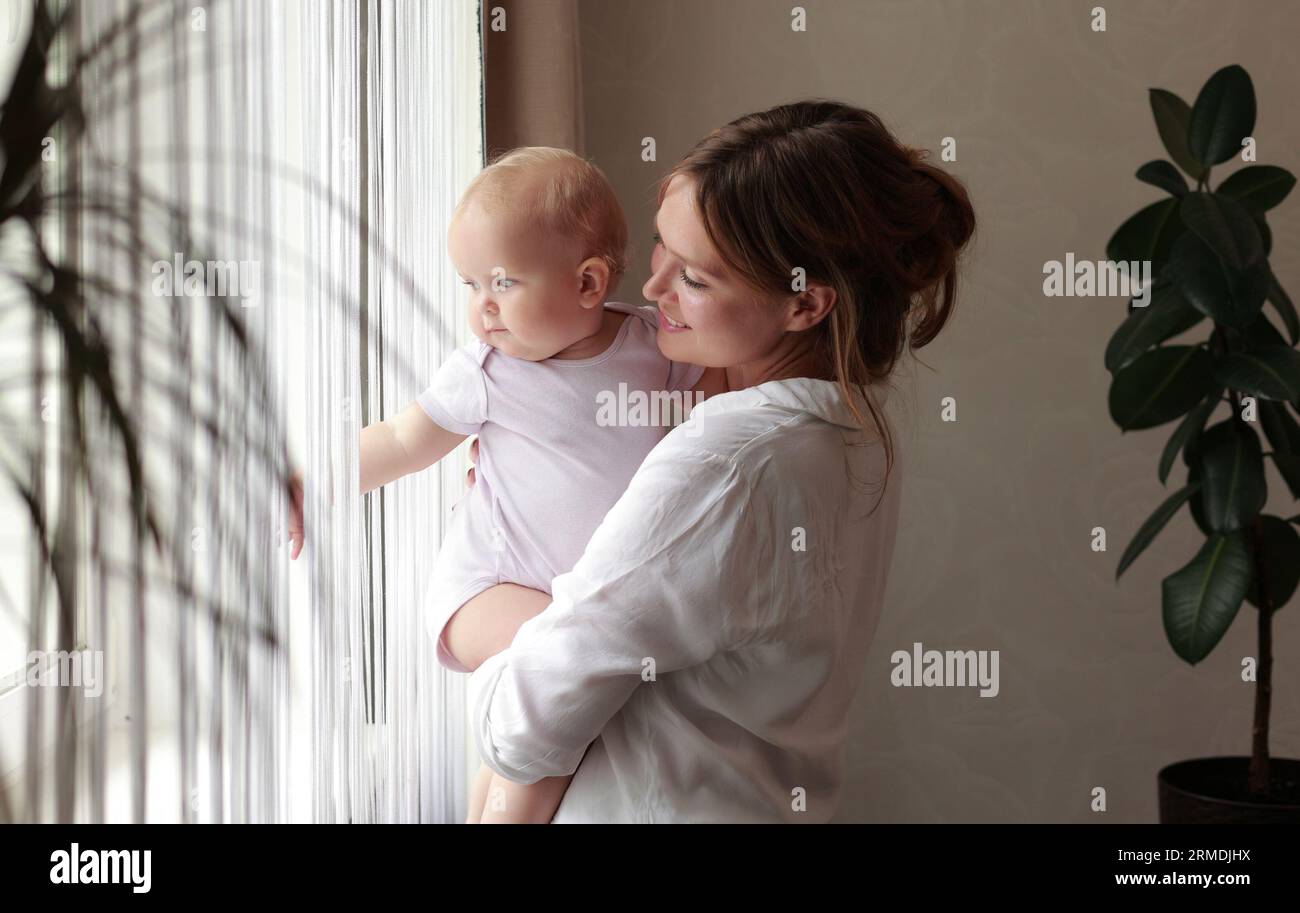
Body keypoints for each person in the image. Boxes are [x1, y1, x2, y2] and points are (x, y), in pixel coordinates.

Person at [454, 99, 976, 822]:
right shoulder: (852, 426)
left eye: (696, 279)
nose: (653, 288)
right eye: (663, 248)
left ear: (805, 304)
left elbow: (520, 720)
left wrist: (485, 598)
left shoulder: (728, 466)